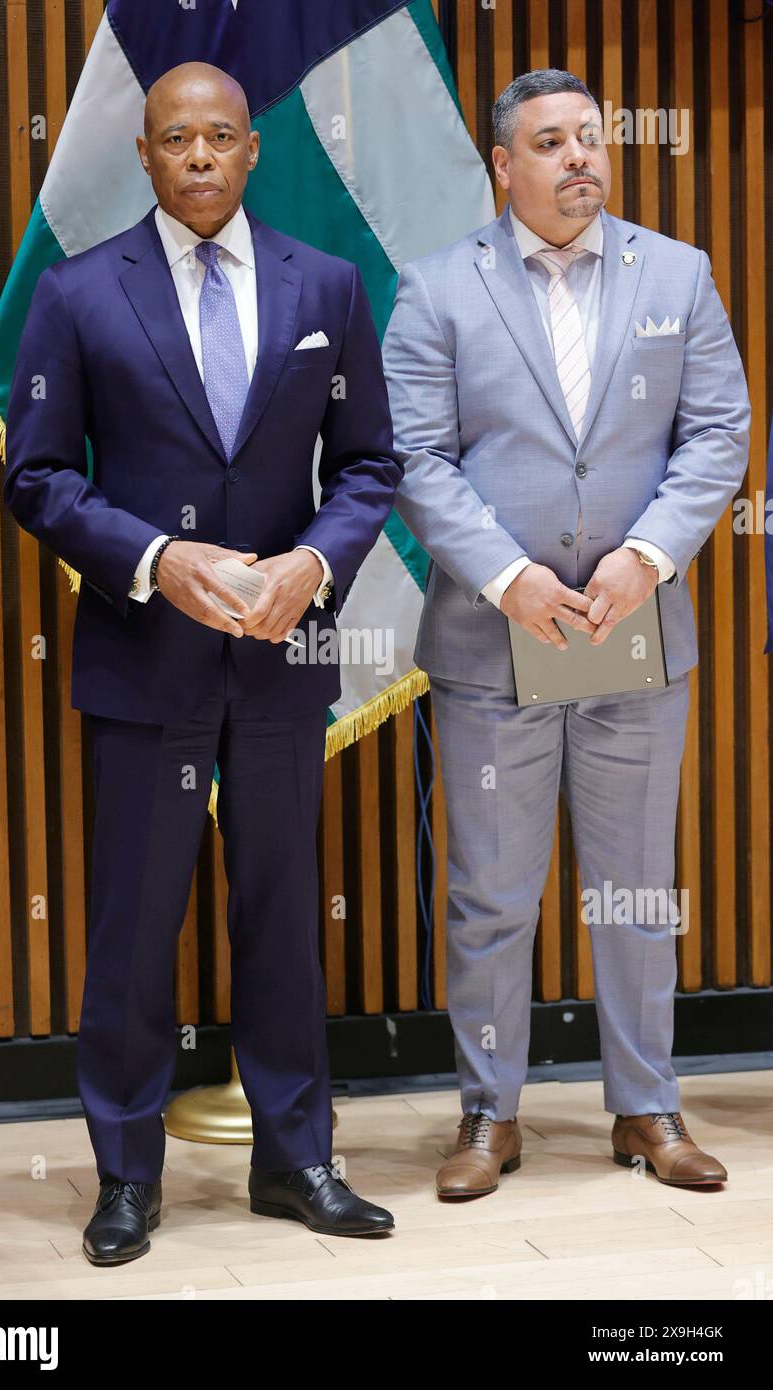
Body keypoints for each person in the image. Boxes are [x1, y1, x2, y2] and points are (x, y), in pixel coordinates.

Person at [3, 61, 401, 1264]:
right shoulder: (77, 295)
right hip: (144, 656)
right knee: (135, 926)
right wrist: (155, 558)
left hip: (281, 656)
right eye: (174, 137)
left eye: (219, 136)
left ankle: (295, 1160)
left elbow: (370, 465)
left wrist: (313, 567)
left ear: (250, 150)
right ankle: (125, 1176)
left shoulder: (325, 283)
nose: (197, 157)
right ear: (142, 153)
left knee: (280, 917)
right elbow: (37, 477)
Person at [382, 68, 749, 1198]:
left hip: (633, 637)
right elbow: (416, 459)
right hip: (497, 643)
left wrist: (645, 557)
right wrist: (508, 576)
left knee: (635, 884)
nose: (579, 158)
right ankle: (488, 1115)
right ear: (502, 165)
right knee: (492, 892)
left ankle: (644, 1108)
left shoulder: (675, 274)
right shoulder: (437, 289)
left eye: (589, 138)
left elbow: (717, 433)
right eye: (550, 142)